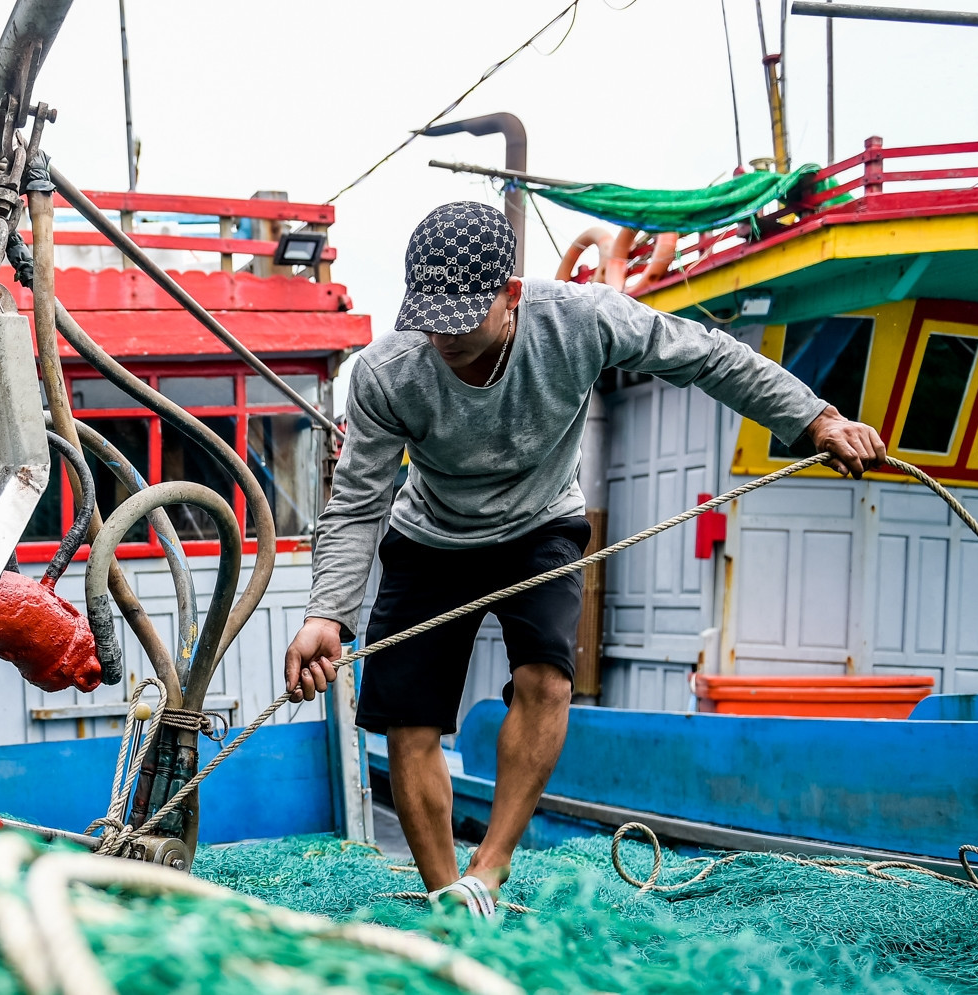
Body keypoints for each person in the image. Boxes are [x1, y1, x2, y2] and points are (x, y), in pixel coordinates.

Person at [283, 202, 886, 915]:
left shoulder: (583, 318)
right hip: (431, 536)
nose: (442, 333)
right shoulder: (387, 374)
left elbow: (708, 355)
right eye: (429, 316)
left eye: (461, 316)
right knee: (407, 719)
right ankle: (449, 896)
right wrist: (327, 612)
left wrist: (813, 417)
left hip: (541, 521)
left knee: (548, 679)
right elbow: (357, 503)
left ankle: (491, 866)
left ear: (511, 295)